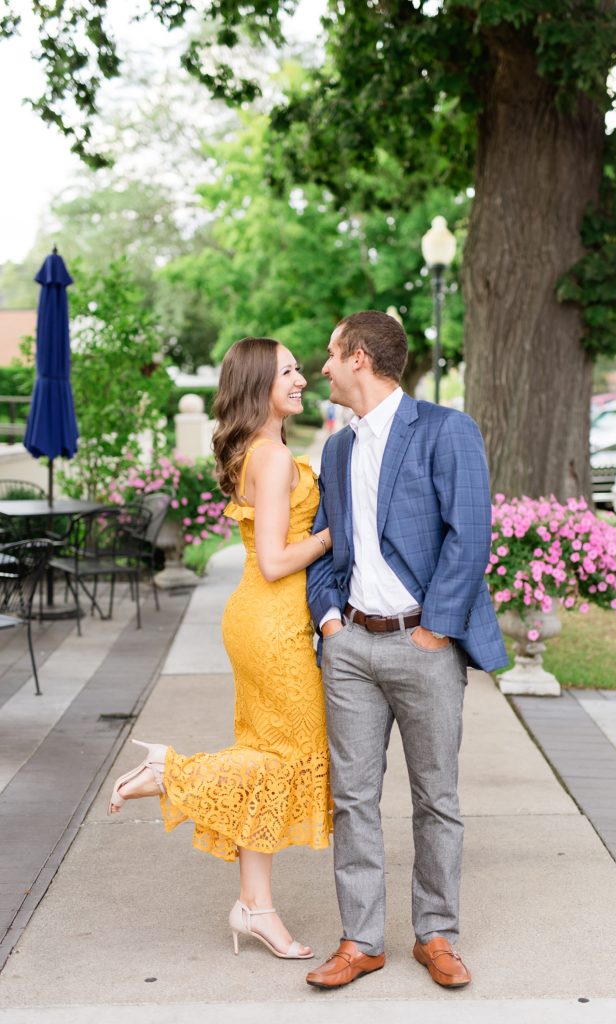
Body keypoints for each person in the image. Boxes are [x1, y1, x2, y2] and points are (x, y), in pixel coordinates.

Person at [108, 337, 333, 961]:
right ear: (259, 384)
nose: (300, 377)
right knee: (293, 756)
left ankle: (254, 906)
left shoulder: (259, 450)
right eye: (286, 370)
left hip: (257, 621)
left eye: (297, 368)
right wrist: (331, 536)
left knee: (264, 754)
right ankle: (168, 772)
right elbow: (272, 560)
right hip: (273, 623)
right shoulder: (274, 457)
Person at [305, 310, 508, 990]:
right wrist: (330, 622)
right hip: (352, 649)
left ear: (359, 357)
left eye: (331, 355)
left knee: (435, 798)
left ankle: (436, 934)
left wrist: (434, 631)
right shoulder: (335, 448)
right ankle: (360, 940)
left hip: (424, 644)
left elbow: (469, 535)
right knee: (353, 800)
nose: (322, 368)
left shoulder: (445, 430)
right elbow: (324, 542)